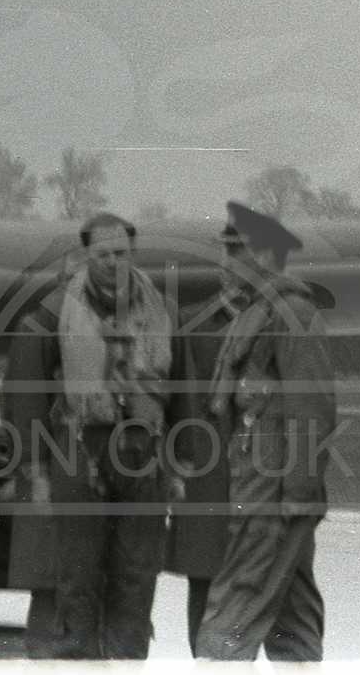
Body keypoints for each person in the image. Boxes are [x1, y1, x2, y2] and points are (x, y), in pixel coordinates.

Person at [6, 212, 175, 659]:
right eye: (102, 255)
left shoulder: (161, 309)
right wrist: (35, 470)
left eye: (120, 253)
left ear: (132, 253)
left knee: (137, 573)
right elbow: (27, 394)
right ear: (86, 255)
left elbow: (184, 385)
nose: (112, 262)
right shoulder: (52, 312)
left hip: (142, 454)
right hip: (80, 450)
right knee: (77, 574)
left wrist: (182, 462)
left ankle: (128, 660)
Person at [195, 202, 337, 662]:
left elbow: (311, 408)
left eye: (235, 252)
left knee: (236, 604)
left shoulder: (291, 314)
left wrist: (298, 496)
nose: (224, 263)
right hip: (259, 485)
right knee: (292, 617)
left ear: (265, 256)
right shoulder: (254, 314)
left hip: (273, 495)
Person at [163, 222, 242, 654]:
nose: (237, 263)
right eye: (231, 252)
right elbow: (177, 406)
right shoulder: (193, 326)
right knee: (205, 586)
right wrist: (178, 471)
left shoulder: (285, 326)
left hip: (263, 479)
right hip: (208, 479)